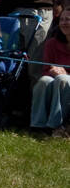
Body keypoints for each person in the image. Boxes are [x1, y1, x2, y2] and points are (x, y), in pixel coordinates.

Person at [29, 8, 70, 136]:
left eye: (68, 19)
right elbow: (45, 69)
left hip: (65, 80)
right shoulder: (52, 43)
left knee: (63, 79)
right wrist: (53, 71)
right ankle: (38, 126)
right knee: (44, 81)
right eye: (61, 19)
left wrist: (66, 73)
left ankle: (57, 126)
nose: (63, 23)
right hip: (55, 78)